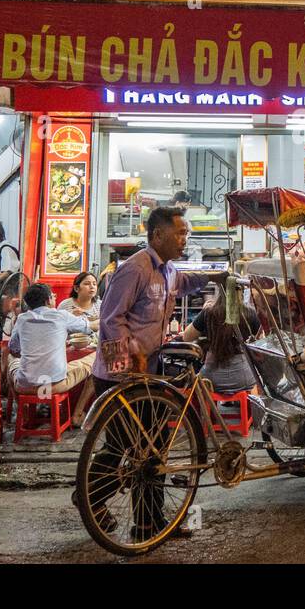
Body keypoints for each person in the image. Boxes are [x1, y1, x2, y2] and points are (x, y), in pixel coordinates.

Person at [88, 206, 222, 539]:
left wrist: (215, 275)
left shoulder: (169, 270)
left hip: (151, 374)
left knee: (153, 450)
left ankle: (148, 523)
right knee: (123, 448)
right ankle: (88, 497)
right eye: (180, 233)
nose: (184, 239)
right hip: (120, 375)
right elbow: (110, 318)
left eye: (186, 233)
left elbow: (186, 282)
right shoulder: (135, 268)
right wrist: (125, 364)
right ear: (157, 235)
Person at [8, 282, 97, 420]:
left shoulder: (22, 319)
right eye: (53, 297)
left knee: (10, 360)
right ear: (48, 300)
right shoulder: (61, 316)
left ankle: (24, 412)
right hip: (54, 385)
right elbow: (90, 326)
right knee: (97, 359)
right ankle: (77, 414)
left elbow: (13, 349)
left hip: (25, 385)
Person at [180, 298, 258, 395]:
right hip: (244, 378)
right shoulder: (250, 313)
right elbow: (259, 346)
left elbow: (186, 337)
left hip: (211, 379)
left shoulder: (208, 312)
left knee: (195, 382)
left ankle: (208, 409)